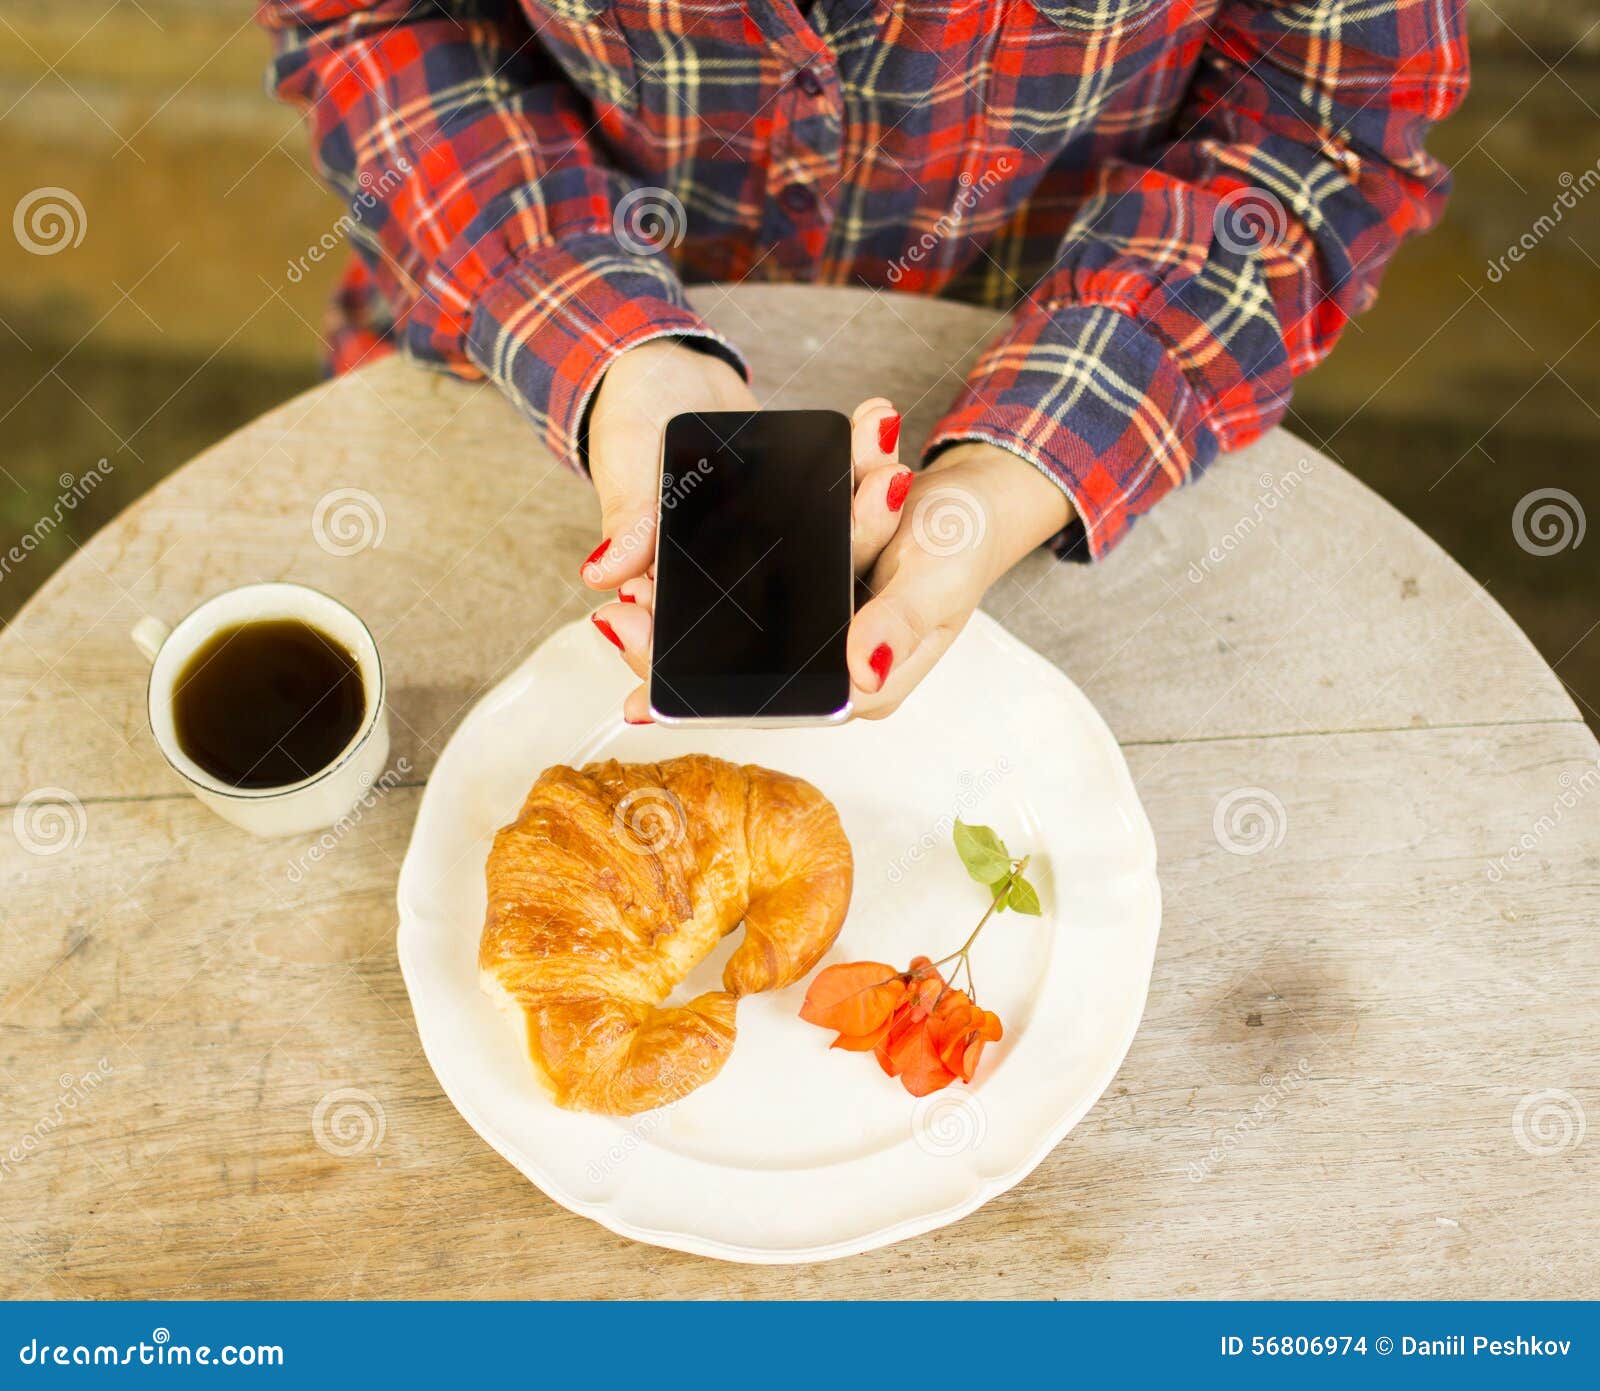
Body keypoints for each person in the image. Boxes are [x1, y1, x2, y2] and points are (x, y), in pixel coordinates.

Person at [260, 1, 1468, 722]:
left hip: (1075, 399)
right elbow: (374, 20)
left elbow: (1328, 120)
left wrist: (1016, 469)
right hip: (513, 332)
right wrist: (617, 354)